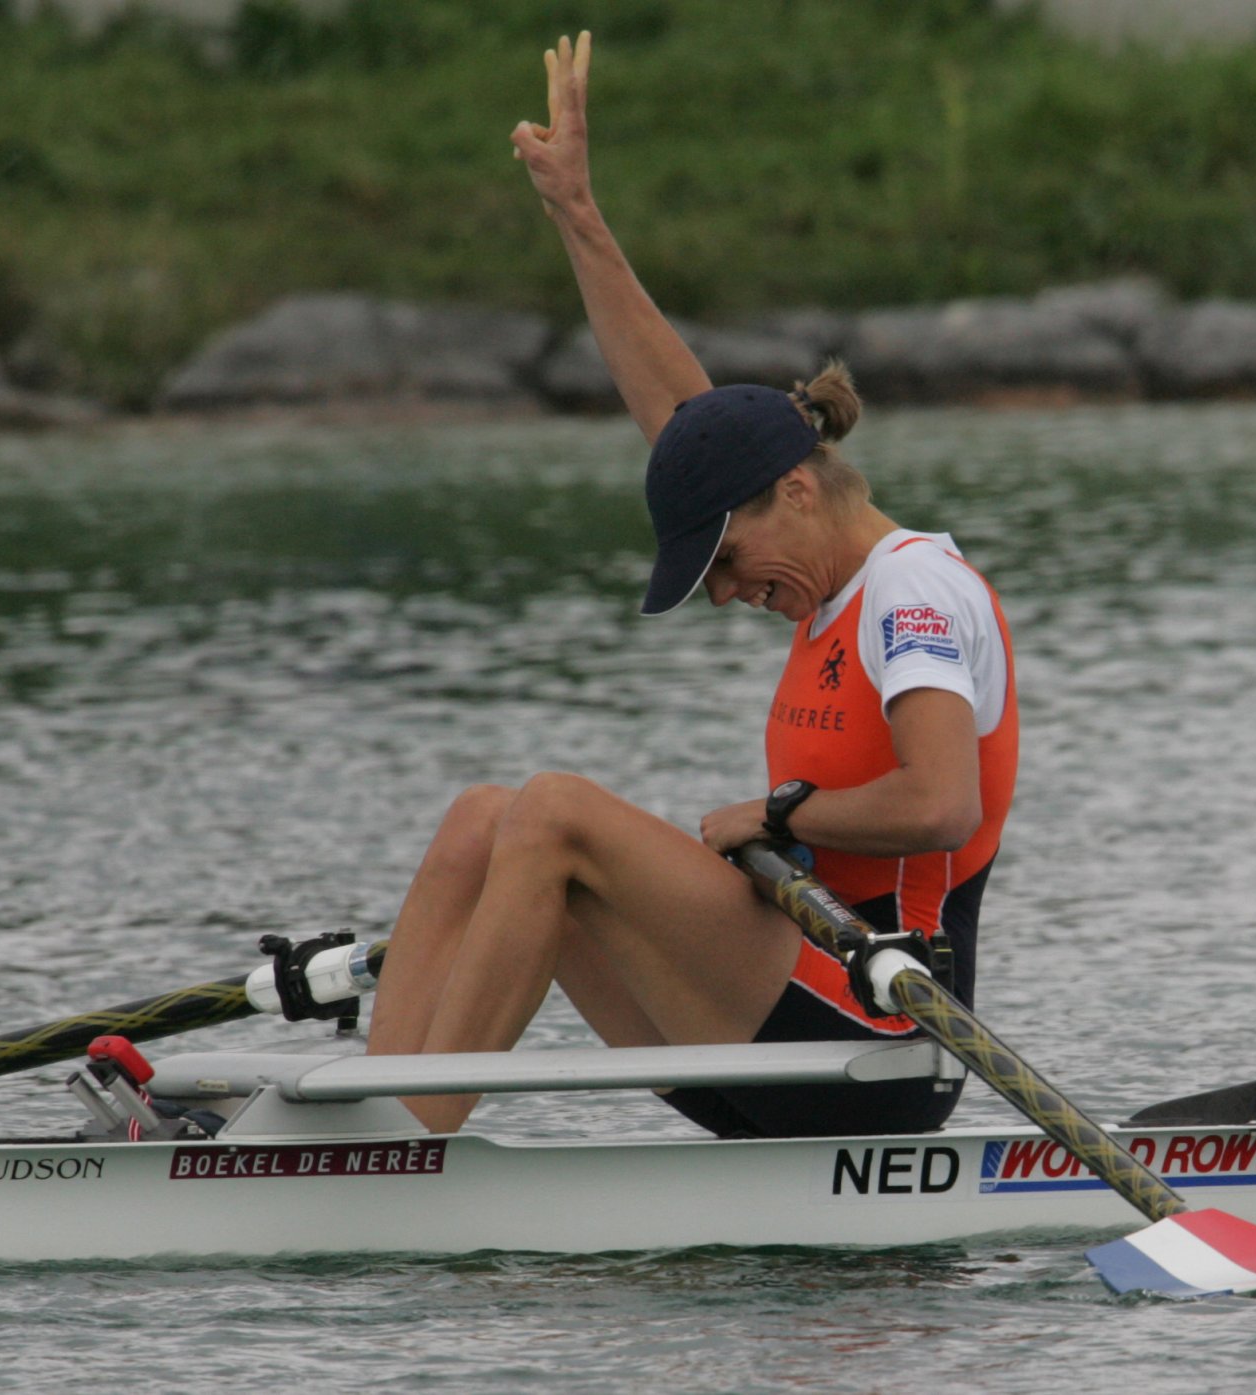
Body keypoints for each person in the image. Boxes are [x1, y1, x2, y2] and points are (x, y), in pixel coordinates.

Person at [362, 33, 1017, 1139]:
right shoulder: (822, 581)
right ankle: (372, 1127)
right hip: (786, 1013)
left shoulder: (913, 597)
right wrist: (576, 212)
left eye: (721, 563)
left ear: (796, 495)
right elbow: (689, 428)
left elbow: (941, 801)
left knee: (556, 812)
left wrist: (778, 813)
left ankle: (406, 1134)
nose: (721, 595)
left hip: (881, 1040)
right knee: (488, 819)